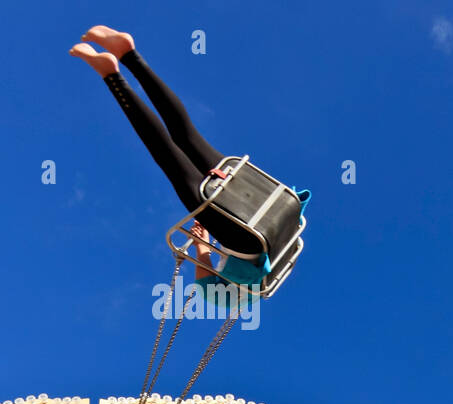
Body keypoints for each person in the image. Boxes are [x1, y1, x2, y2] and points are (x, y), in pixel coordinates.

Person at [69, 26, 308, 294]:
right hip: (246, 232)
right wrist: (201, 246)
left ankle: (129, 54)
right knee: (167, 154)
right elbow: (206, 287)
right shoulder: (245, 295)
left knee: (188, 137)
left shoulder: (290, 244)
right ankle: (110, 74)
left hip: (273, 198)